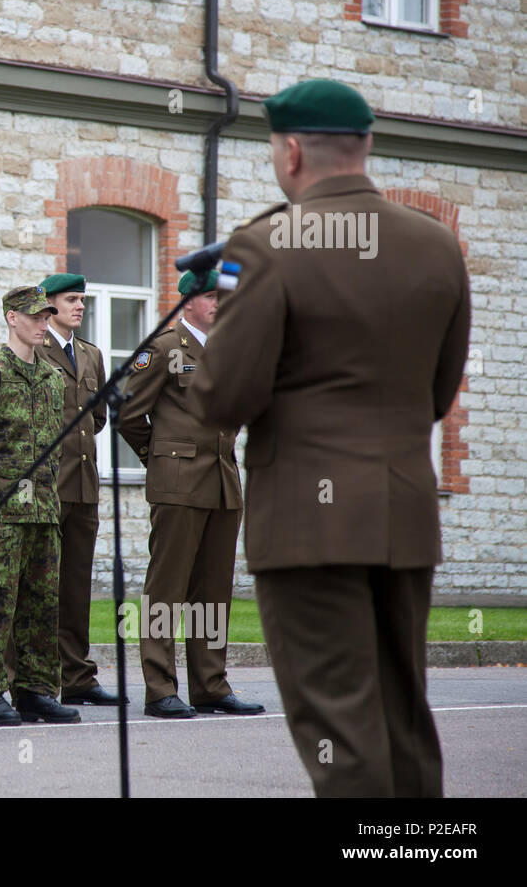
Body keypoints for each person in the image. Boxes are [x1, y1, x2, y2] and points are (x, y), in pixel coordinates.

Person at [190, 78, 470, 797]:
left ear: (289, 152)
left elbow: (223, 397)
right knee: (402, 718)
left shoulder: (267, 245)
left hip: (309, 526)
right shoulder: (437, 245)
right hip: (404, 514)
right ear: (366, 145)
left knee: (338, 729)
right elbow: (438, 394)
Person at [120, 269, 263, 719]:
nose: (218, 304)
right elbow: (129, 416)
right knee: (166, 590)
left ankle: (211, 684)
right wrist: (163, 461)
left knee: (213, 591)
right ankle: (160, 688)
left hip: (223, 483)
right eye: (208, 296)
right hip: (179, 486)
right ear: (186, 303)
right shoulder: (164, 350)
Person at [0, 285, 79, 727]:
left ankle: (36, 690)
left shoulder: (51, 377)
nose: (44, 324)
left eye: (47, 317)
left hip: (43, 508)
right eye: (36, 317)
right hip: (1, 511)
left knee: (42, 604)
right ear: (11, 318)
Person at [36, 273, 119, 707]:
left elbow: (97, 417)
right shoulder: (34, 348)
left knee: (76, 586)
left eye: (82, 300)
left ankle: (78, 676)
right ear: (48, 305)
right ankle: (32, 677)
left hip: (83, 486)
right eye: (71, 300)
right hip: (48, 486)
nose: (80, 307)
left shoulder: (90, 355)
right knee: (37, 585)